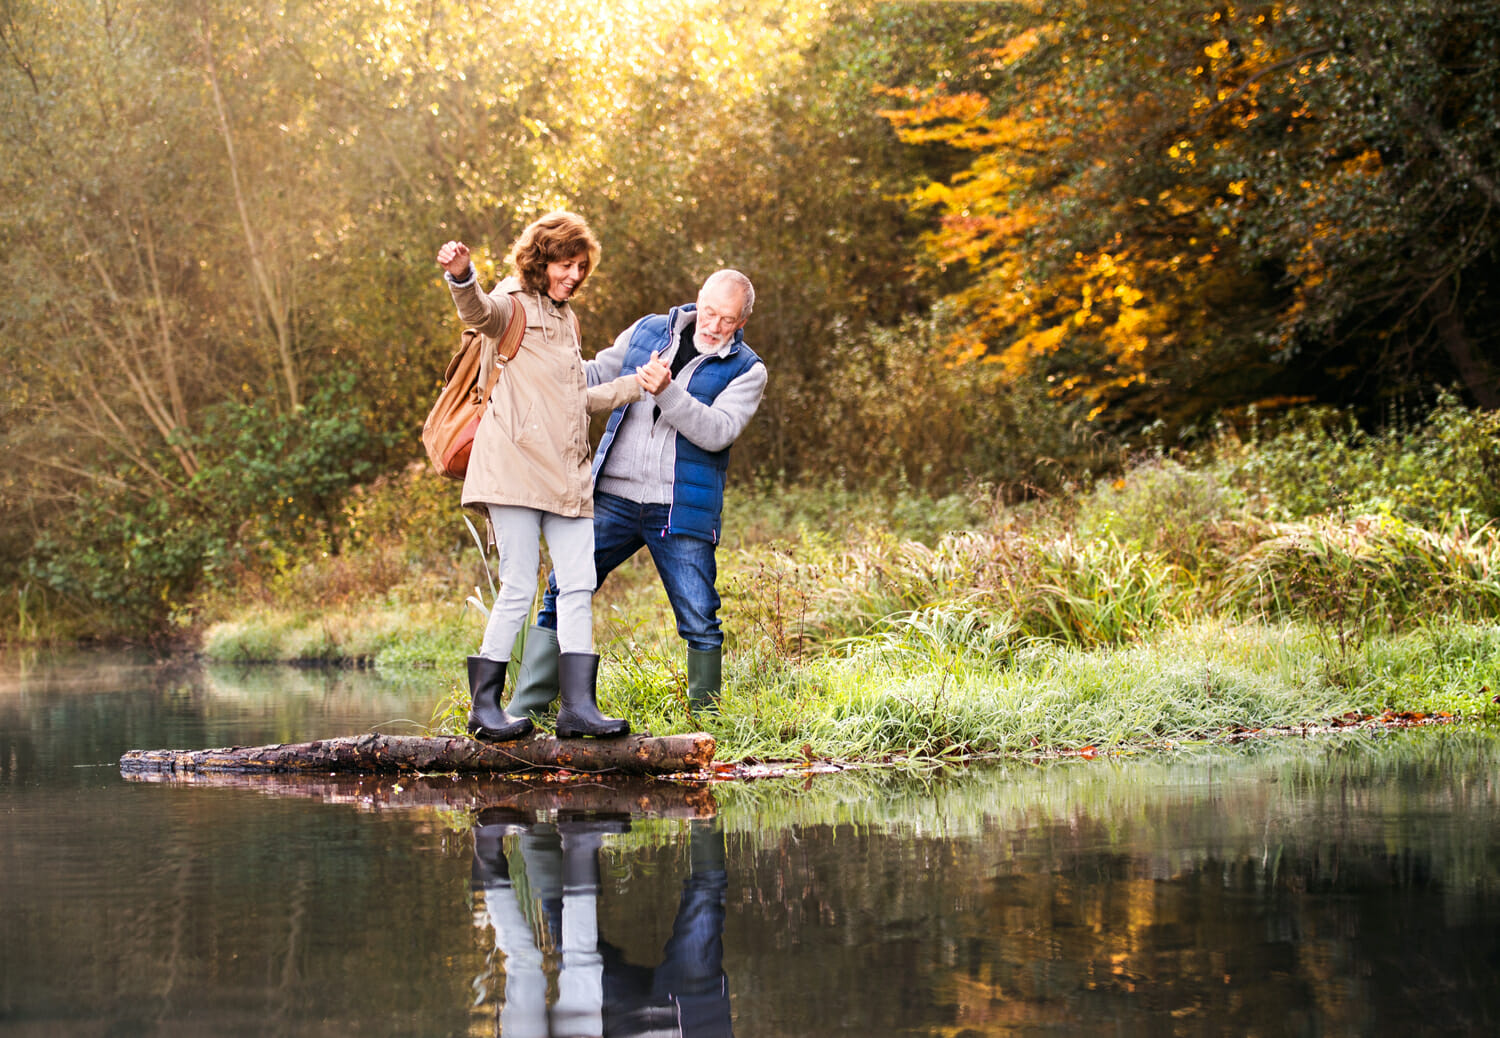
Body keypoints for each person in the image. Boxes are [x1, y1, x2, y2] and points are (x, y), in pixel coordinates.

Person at [505, 270, 767, 717]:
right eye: (709, 311)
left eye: (727, 319)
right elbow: (593, 374)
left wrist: (667, 392)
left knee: (701, 619)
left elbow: (718, 432)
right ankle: (529, 709)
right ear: (697, 300)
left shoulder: (748, 370)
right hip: (612, 497)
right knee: (563, 589)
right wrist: (540, 362)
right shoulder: (648, 330)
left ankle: (705, 724)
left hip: (679, 510)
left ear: (741, 322)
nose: (713, 324)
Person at [436, 211, 644, 742]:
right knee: (517, 586)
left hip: (565, 476)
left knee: (578, 585)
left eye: (580, 266)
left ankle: (578, 707)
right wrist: (462, 276)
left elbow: (576, 400)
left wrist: (635, 385)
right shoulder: (512, 308)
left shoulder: (568, 321)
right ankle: (484, 708)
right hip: (512, 472)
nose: (573, 275)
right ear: (540, 260)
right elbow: (477, 311)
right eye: (564, 264)